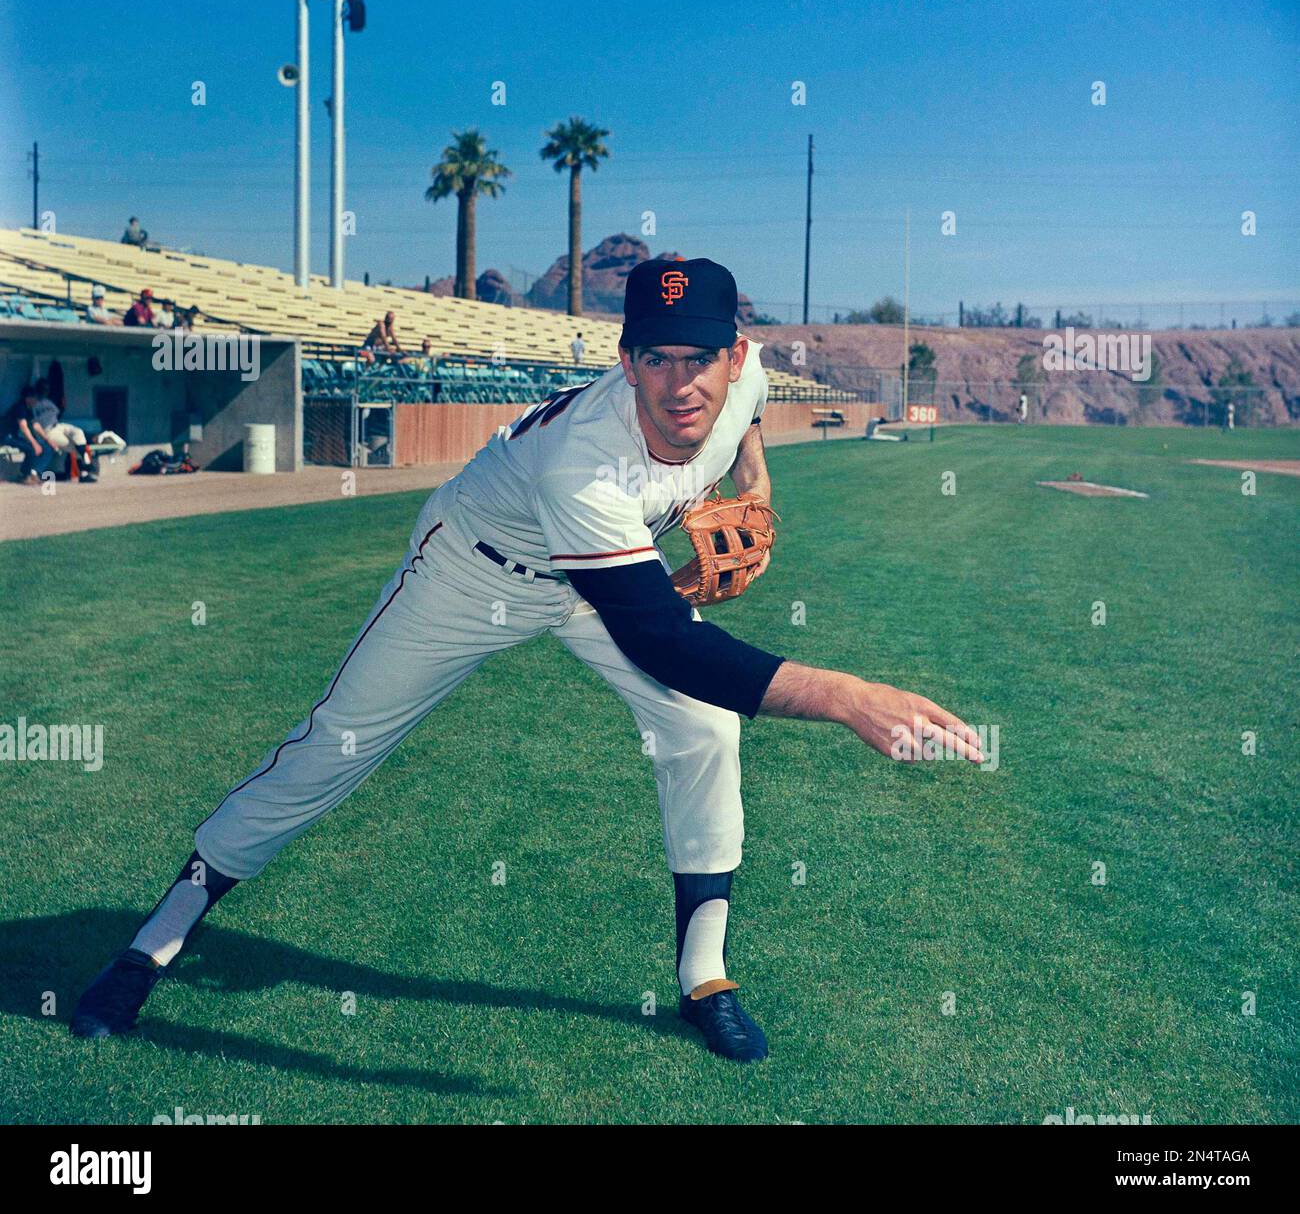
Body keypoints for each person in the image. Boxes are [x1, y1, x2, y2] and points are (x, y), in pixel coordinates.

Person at [68, 257, 981, 1063]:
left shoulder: (745, 386)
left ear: (735, 357)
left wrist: (757, 486)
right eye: (656, 358)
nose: (680, 382)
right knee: (331, 749)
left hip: (601, 575)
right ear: (626, 361)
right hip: (472, 572)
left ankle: (705, 978)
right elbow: (661, 641)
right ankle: (151, 946)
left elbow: (747, 425)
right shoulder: (582, 460)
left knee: (704, 732)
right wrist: (847, 695)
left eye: (699, 357)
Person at [33, 379, 98, 482]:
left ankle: (87, 463)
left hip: (58, 425)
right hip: (48, 431)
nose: (46, 390)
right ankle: (84, 472)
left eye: (47, 388)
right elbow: (34, 424)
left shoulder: (48, 401)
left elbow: (57, 412)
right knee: (75, 448)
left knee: (78, 432)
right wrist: (44, 438)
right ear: (38, 389)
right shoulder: (34, 403)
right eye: (43, 388)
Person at [4, 386, 58, 485]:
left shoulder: (29, 409)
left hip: (15, 437)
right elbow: (23, 427)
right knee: (32, 449)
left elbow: (36, 425)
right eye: (35, 398)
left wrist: (48, 440)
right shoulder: (20, 407)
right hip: (7, 437)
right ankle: (25, 475)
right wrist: (34, 443)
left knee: (47, 448)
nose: (36, 400)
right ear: (27, 398)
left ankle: (35, 473)